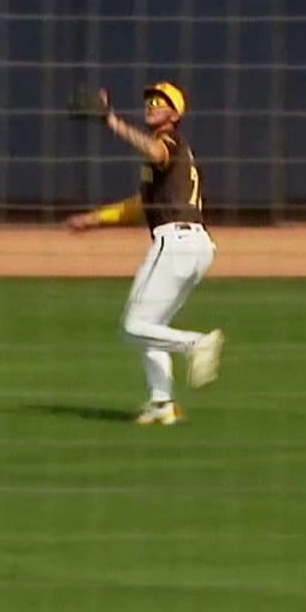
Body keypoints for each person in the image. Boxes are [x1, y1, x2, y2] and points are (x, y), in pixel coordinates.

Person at [65, 82, 224, 426]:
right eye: (150, 101)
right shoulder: (173, 158)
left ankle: (196, 344)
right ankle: (161, 403)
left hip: (176, 244)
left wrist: (111, 122)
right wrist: (96, 219)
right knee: (152, 327)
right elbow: (140, 206)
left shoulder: (169, 143)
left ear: (176, 114)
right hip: (195, 246)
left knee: (134, 326)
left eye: (161, 102)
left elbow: (155, 152)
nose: (152, 106)